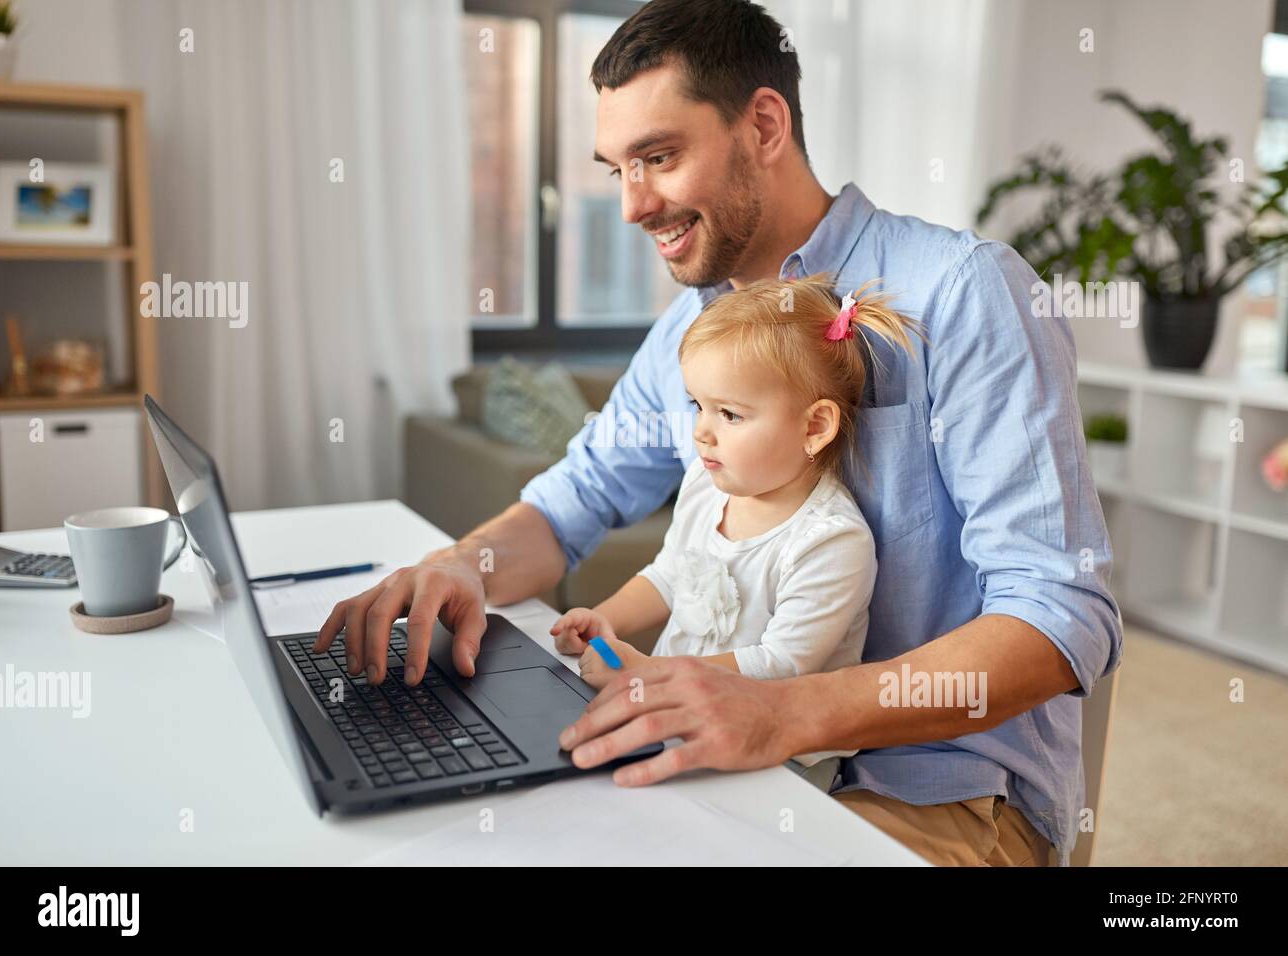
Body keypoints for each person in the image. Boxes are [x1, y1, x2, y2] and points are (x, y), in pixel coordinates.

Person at [314, 0, 1122, 867]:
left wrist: (785, 711)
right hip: (746, 766)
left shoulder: (963, 293)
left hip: (937, 792)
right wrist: (456, 566)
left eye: (658, 157)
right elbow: (573, 501)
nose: (630, 204)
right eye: (616, 167)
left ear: (764, 125)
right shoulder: (694, 329)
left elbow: (1061, 612)